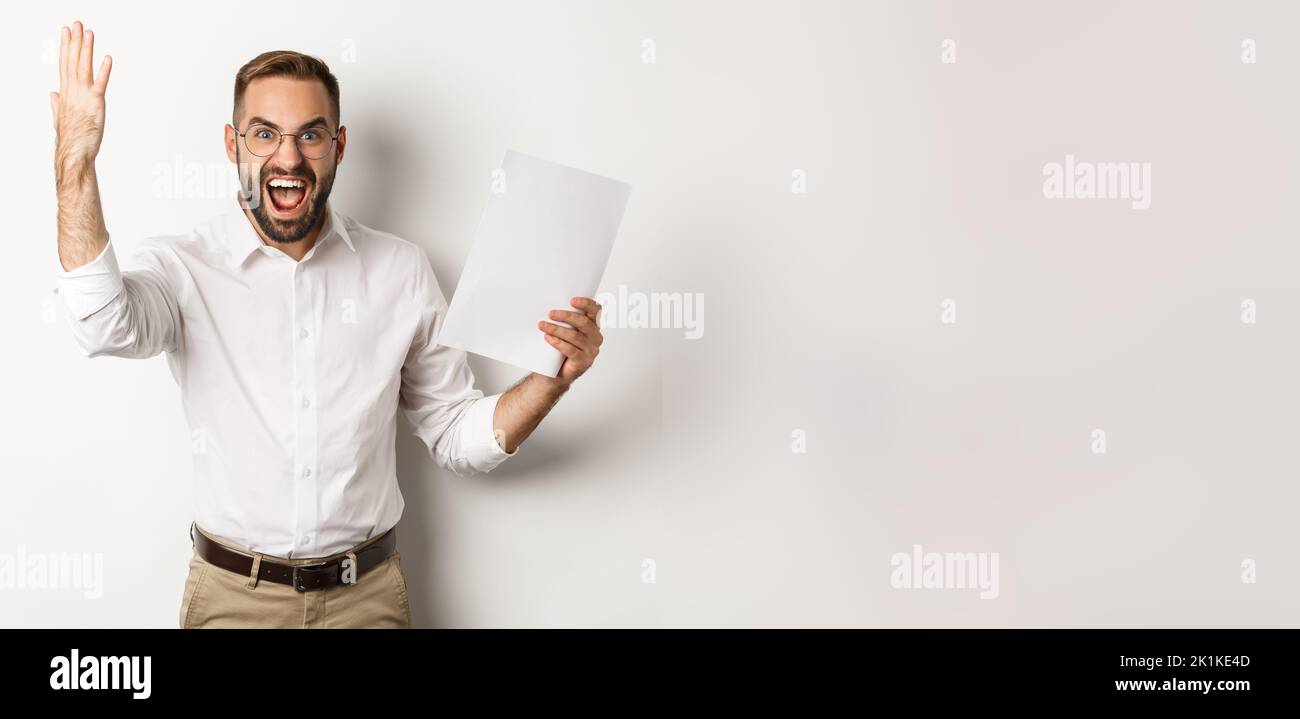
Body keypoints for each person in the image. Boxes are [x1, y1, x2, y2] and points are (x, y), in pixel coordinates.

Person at [49, 21, 604, 628]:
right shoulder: (183, 266)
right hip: (233, 603)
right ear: (233, 144)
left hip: (365, 601)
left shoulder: (401, 270)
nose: (288, 157)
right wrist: (74, 164)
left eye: (309, 135)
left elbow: (453, 435)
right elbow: (101, 324)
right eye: (265, 134)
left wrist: (551, 380)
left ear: (338, 146)